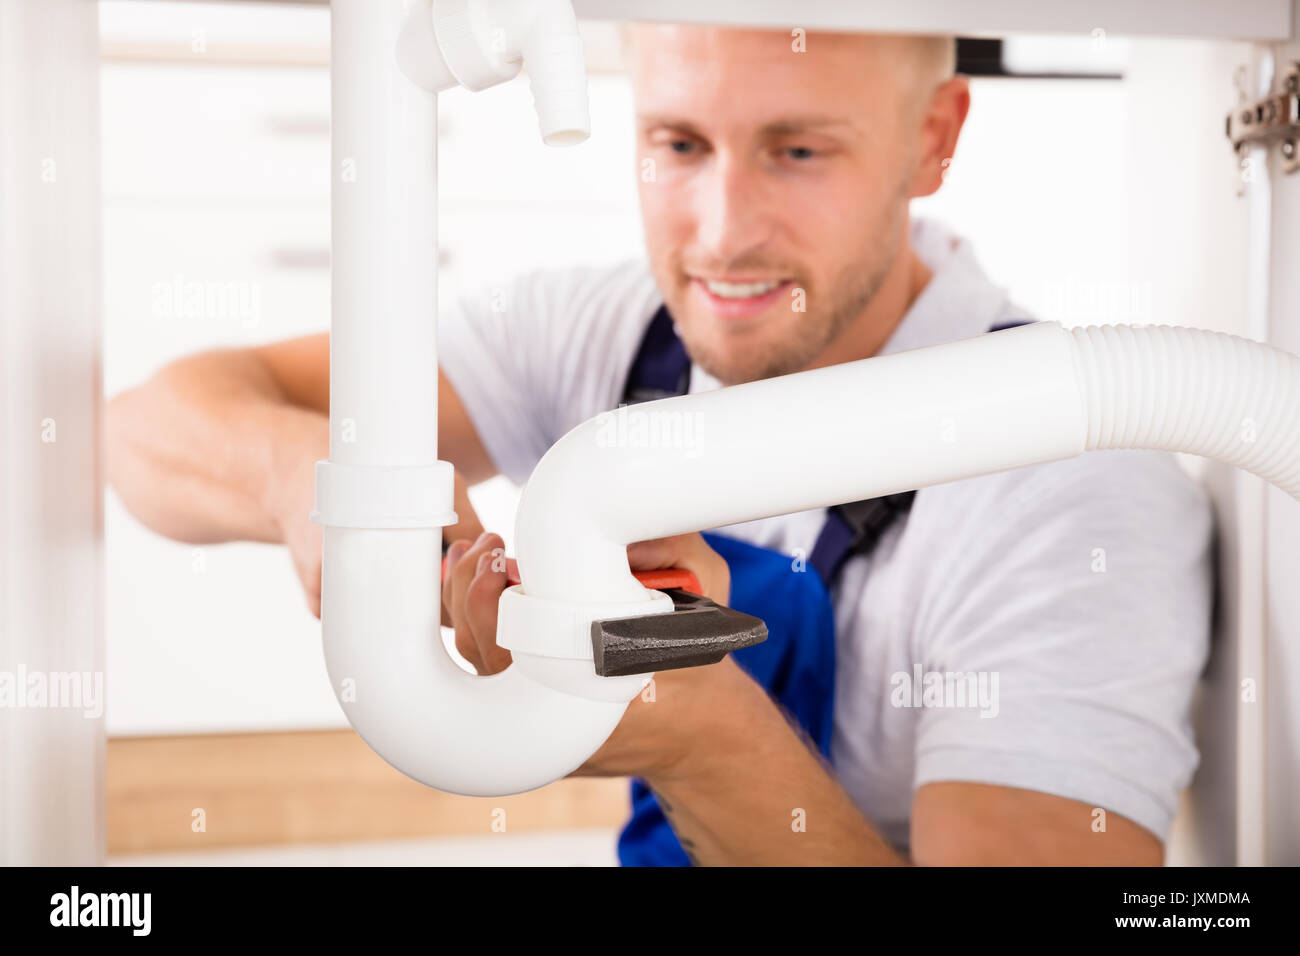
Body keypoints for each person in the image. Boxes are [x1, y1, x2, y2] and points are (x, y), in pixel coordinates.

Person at [107, 26, 1213, 865]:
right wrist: (315, 487)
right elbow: (145, 427)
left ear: (932, 139)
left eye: (797, 150)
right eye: (678, 143)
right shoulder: (609, 328)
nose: (723, 231)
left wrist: (703, 736)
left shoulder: (1074, 482)